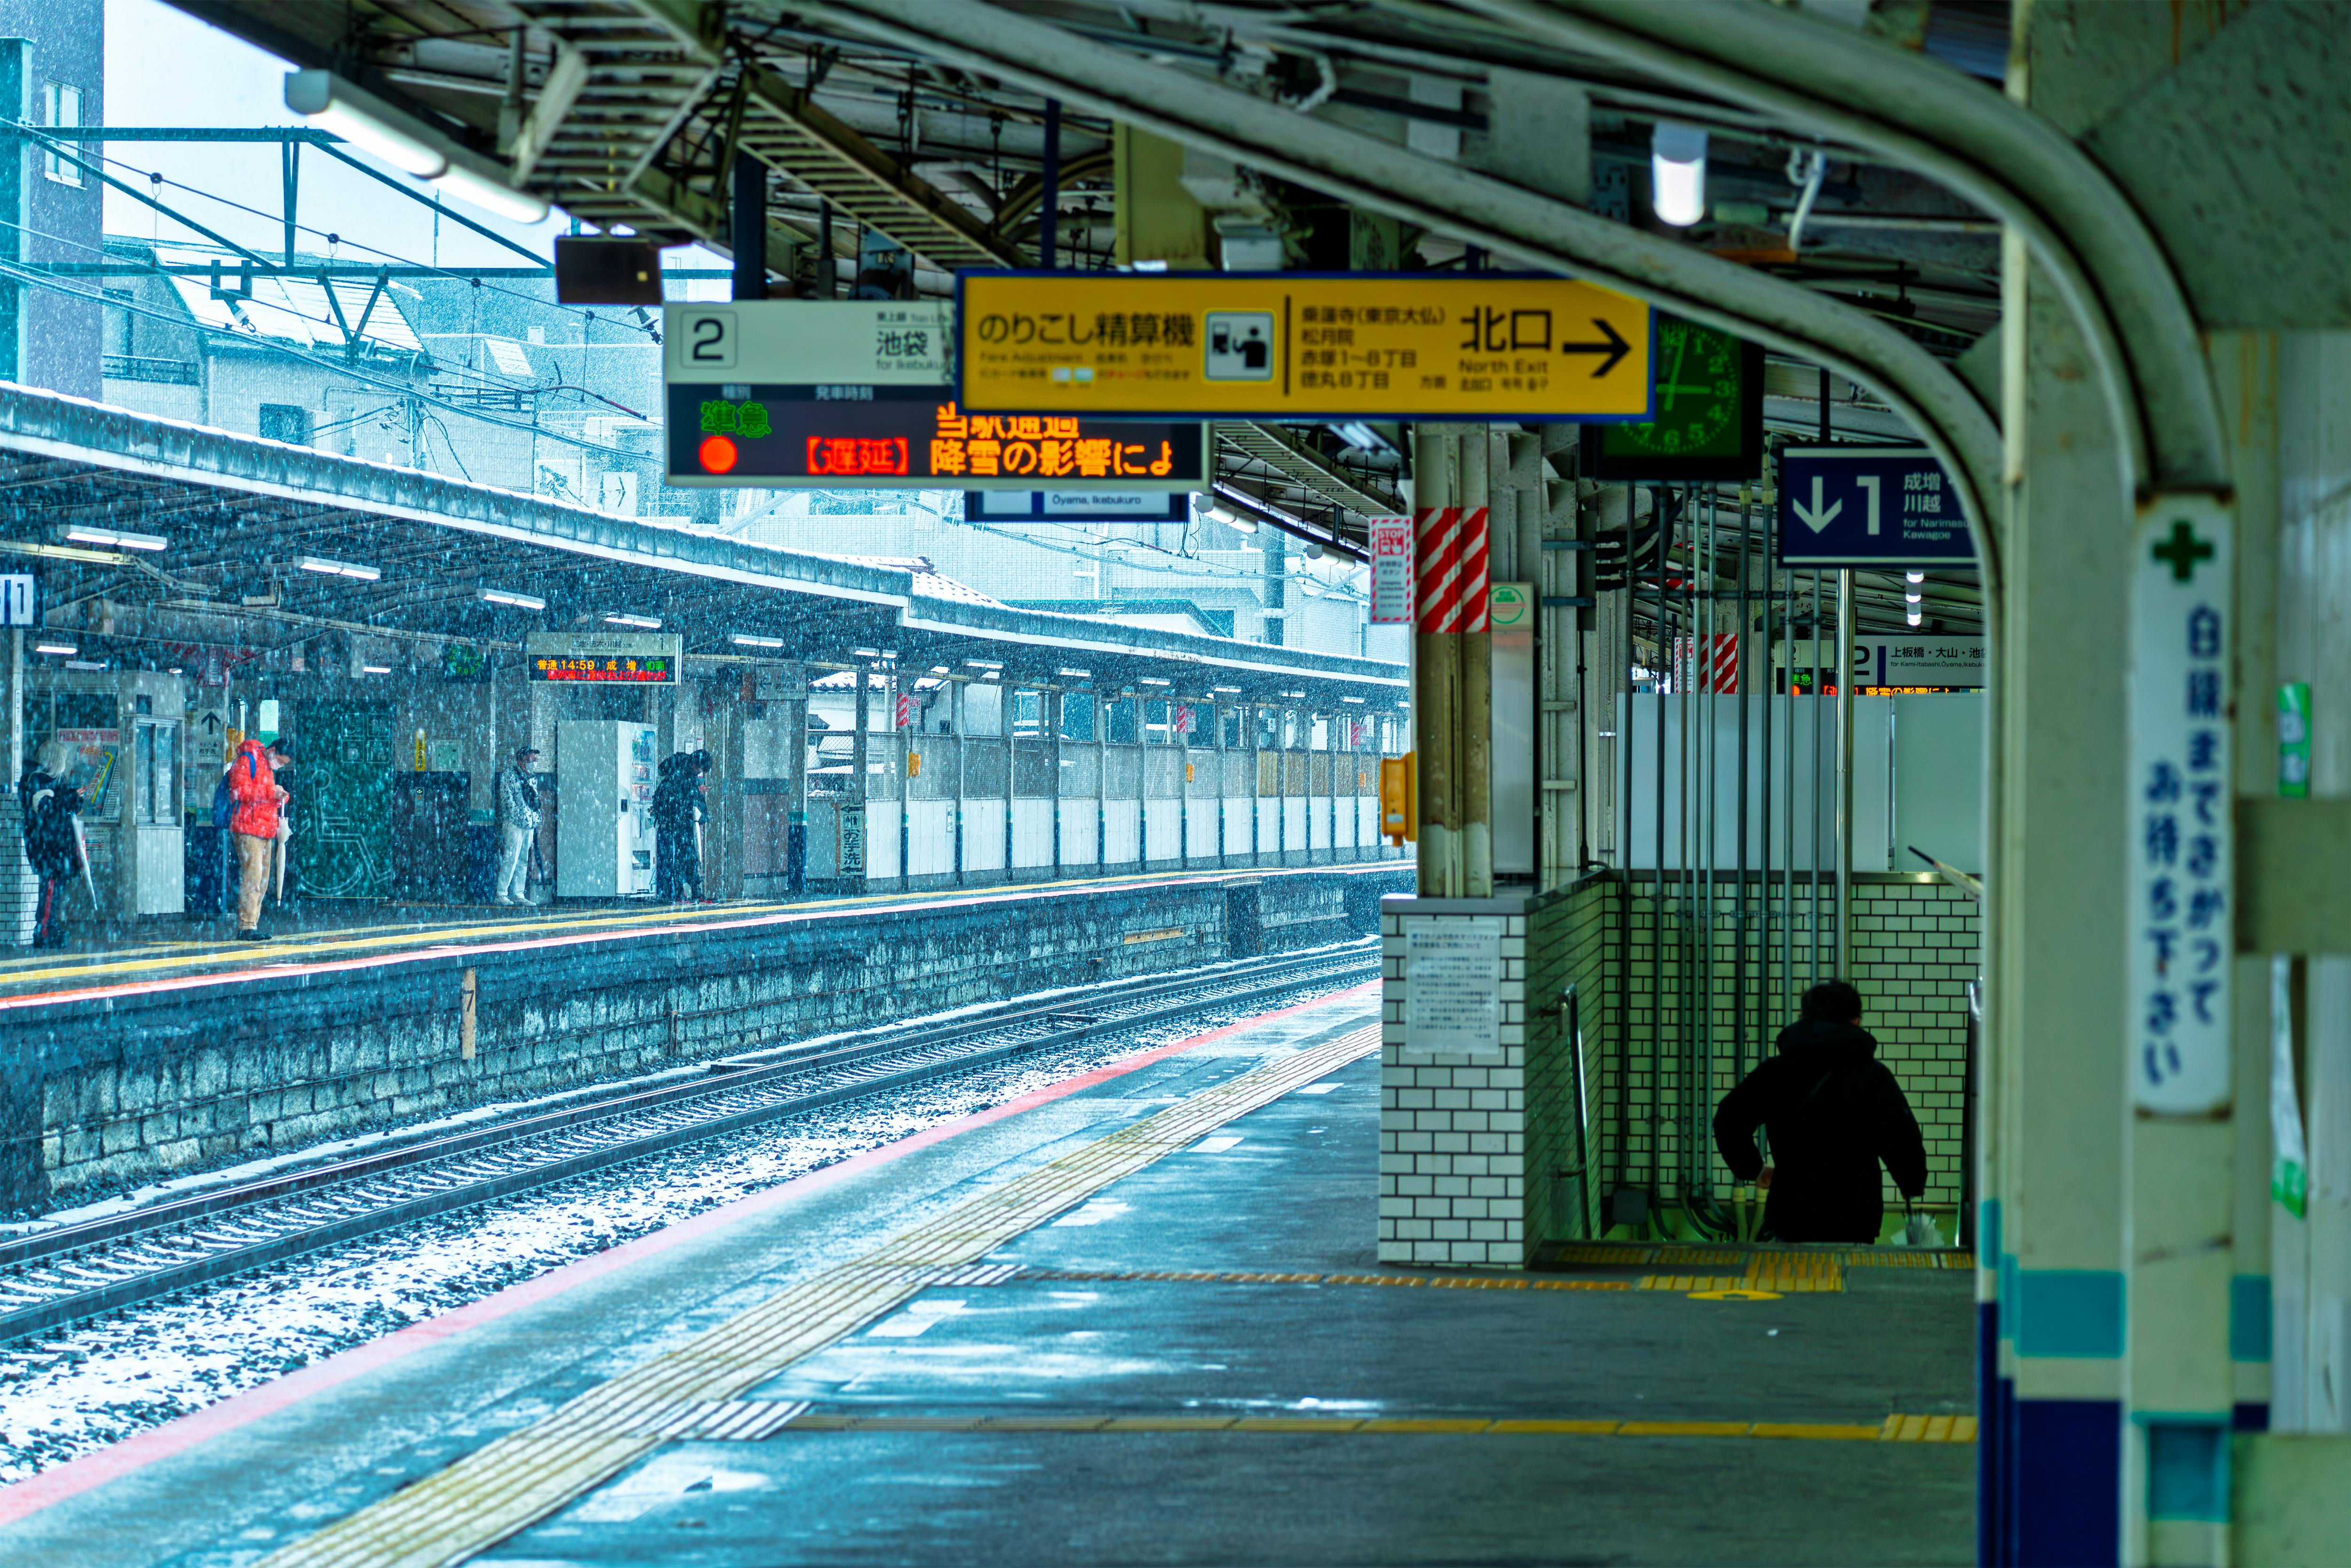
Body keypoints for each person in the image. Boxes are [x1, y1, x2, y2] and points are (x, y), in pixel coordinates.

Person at [1712, 979, 1927, 1244]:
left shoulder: (1776, 1072)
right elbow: (1902, 1139)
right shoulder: (1874, 1076)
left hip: (1792, 1213)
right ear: (1855, 1021)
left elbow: (1728, 1121)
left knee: (1791, 1272)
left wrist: (1754, 1169)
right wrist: (1912, 1183)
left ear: (1803, 1018)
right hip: (1855, 1217)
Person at [226, 734, 292, 941]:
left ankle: (252, 924)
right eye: (280, 761)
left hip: (265, 830)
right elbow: (239, 792)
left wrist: (281, 797)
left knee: (262, 881)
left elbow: (264, 796)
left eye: (283, 764)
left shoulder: (267, 768)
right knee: (253, 878)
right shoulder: (247, 760)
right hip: (248, 829)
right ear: (272, 751)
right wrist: (271, 792)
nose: (279, 765)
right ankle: (246, 926)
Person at [21, 740, 83, 947]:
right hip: (49, 847)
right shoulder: (37, 780)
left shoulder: (45, 780)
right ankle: (45, 930)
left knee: (52, 889)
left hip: (52, 846)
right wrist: (70, 798)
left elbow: (56, 807)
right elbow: (47, 809)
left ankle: (48, 927)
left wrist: (71, 798)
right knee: (51, 888)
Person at [650, 749, 710, 903]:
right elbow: (681, 792)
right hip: (674, 818)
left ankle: (691, 891)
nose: (699, 773)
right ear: (696, 764)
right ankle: (681, 892)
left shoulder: (682, 767)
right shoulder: (682, 768)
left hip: (677, 817)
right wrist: (696, 791)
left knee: (687, 856)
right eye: (700, 769)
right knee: (682, 856)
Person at [495, 745, 542, 906]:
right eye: (531, 760)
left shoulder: (532, 778)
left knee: (523, 859)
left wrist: (533, 818)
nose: (534, 763)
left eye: (535, 759)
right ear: (521, 761)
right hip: (514, 824)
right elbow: (507, 801)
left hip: (529, 825)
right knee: (511, 858)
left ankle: (518, 893)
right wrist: (521, 816)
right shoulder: (509, 776)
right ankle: (502, 893)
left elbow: (534, 801)